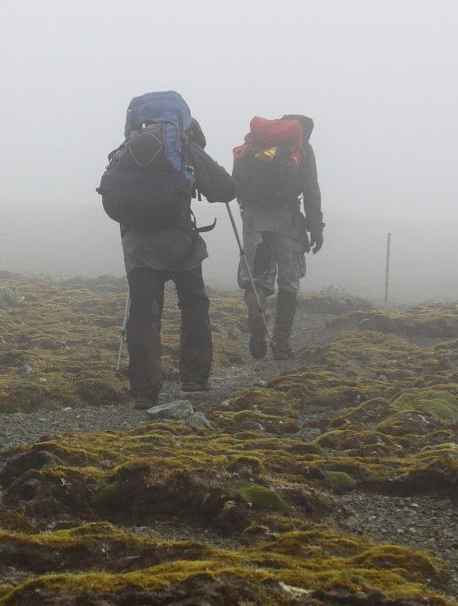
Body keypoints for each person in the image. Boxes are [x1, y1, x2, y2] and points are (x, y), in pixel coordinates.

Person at [117, 117, 235, 409]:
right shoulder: (183, 145)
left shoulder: (129, 147)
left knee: (144, 312)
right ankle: (194, 377)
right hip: (180, 244)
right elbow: (225, 189)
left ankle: (144, 390)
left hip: (138, 245)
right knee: (194, 303)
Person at [237, 113, 323, 360]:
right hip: (287, 221)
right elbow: (311, 189)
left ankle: (257, 313)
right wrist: (316, 227)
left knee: (256, 278)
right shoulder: (301, 149)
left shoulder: (257, 144)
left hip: (254, 221)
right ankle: (281, 344)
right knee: (289, 282)